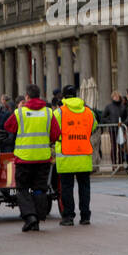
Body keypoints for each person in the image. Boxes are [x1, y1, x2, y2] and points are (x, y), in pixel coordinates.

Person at [4, 84, 61, 232]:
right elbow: (55, 134)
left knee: (22, 189)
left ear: (27, 97)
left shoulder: (20, 113)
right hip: (42, 158)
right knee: (39, 189)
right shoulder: (49, 112)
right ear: (40, 96)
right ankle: (38, 218)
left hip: (24, 158)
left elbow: (8, 127)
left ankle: (30, 216)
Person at [54, 84, 98, 225]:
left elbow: (53, 131)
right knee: (84, 187)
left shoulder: (59, 112)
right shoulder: (88, 112)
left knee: (67, 188)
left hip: (66, 156)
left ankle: (68, 217)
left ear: (63, 96)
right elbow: (94, 127)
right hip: (83, 154)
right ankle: (85, 216)